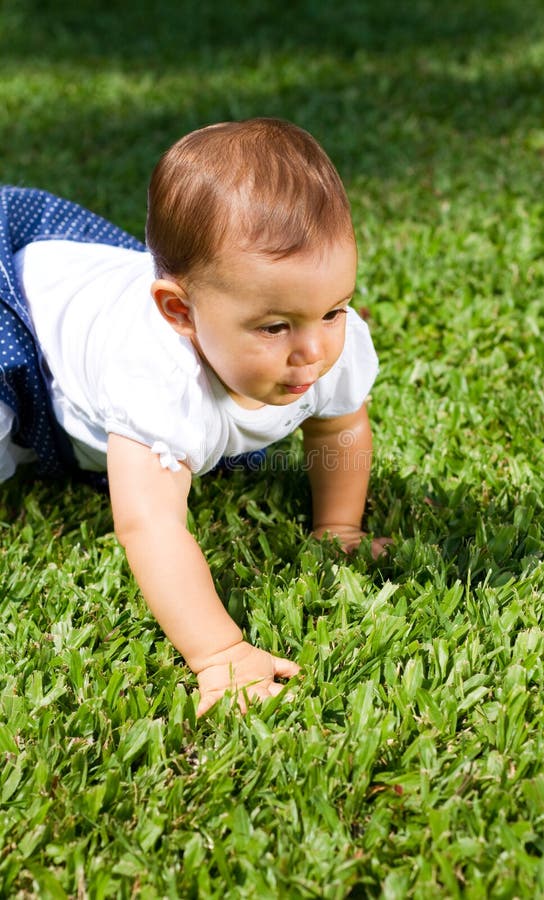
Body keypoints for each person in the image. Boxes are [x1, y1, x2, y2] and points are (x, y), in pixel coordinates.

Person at [0, 118, 388, 714]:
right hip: (27, 335)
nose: (314, 351)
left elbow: (338, 427)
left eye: (332, 310)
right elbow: (148, 523)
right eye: (276, 326)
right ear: (180, 313)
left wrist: (339, 527)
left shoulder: (329, 343)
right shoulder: (157, 376)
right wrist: (219, 653)